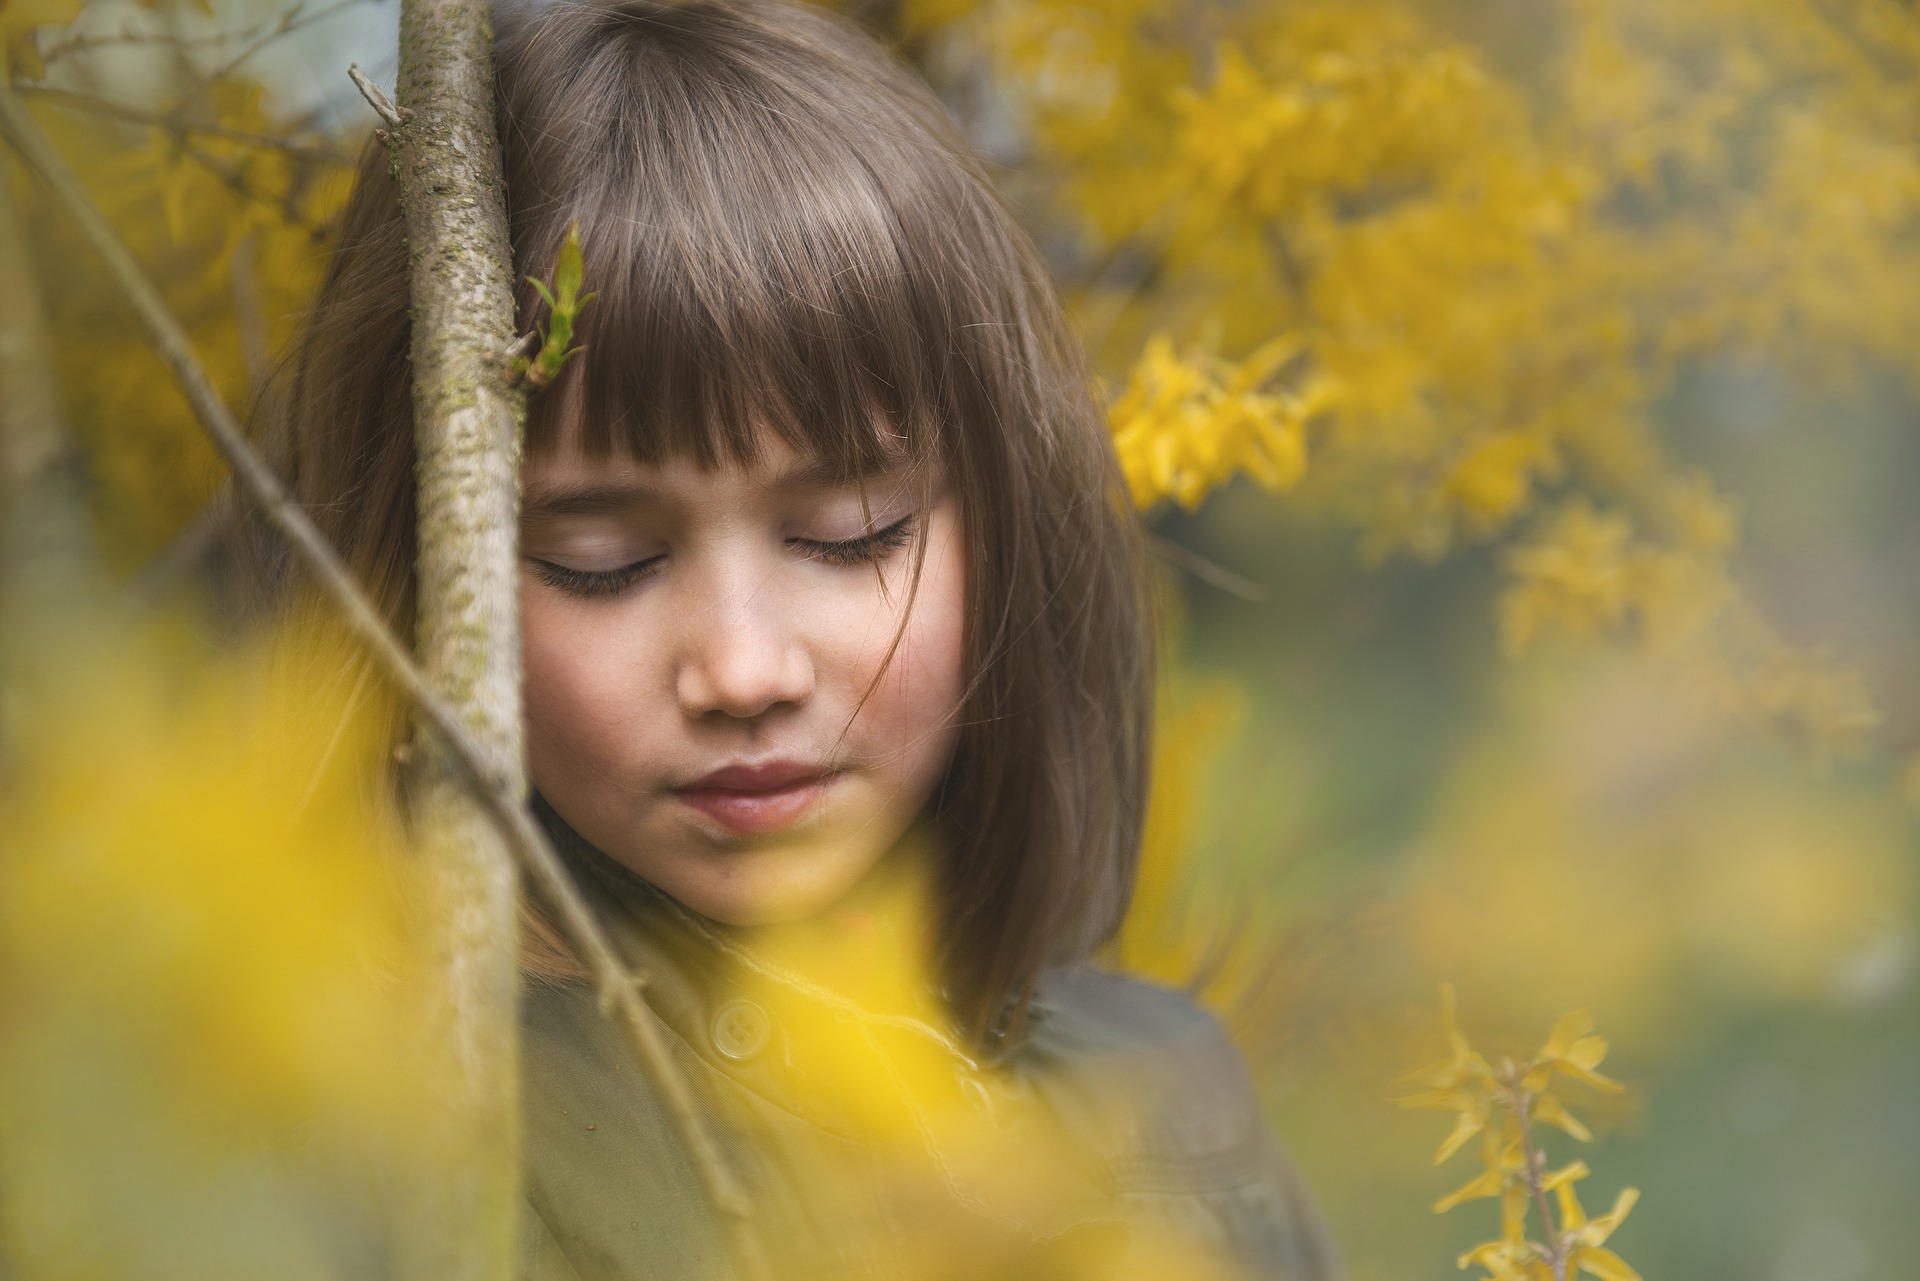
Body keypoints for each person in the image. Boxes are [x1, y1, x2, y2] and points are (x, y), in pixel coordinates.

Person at [247, 0, 1340, 1276]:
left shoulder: (1177, 1106)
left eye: (850, 533)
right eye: (601, 562)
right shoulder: (353, 1134)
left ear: (1007, 531)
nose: (745, 673)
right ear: (419, 585)